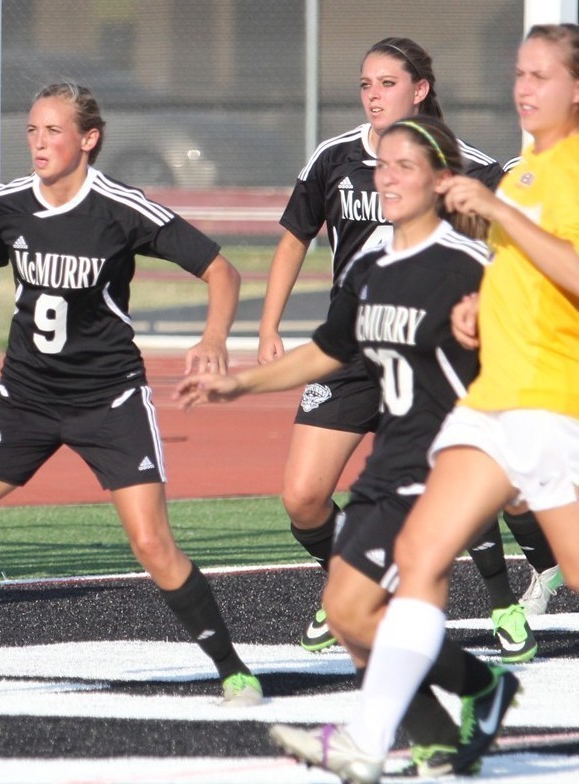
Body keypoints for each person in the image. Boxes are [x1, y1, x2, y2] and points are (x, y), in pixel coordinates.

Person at [264, 24, 579, 782]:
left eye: (538, 74)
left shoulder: (549, 175)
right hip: (490, 401)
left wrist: (498, 218)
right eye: (517, 73)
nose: (521, 87)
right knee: (413, 560)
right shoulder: (529, 170)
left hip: (552, 404)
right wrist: (484, 307)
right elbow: (517, 273)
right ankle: (371, 739)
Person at [0, 82, 262, 706]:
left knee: (151, 543)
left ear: (88, 139)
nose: (38, 143)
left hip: (108, 400)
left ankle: (232, 667)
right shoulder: (9, 205)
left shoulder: (120, 207)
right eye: (33, 130)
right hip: (25, 400)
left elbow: (222, 270)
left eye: (53, 131)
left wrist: (215, 337)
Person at [180, 116, 503, 778]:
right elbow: (331, 350)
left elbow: (537, 348)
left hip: (449, 462)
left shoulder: (472, 268)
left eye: (404, 167)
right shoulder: (367, 264)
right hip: (390, 460)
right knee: (350, 616)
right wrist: (239, 384)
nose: (385, 177)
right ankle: (461, 707)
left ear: (443, 181)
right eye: (381, 165)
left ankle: (367, 741)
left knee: (359, 608)